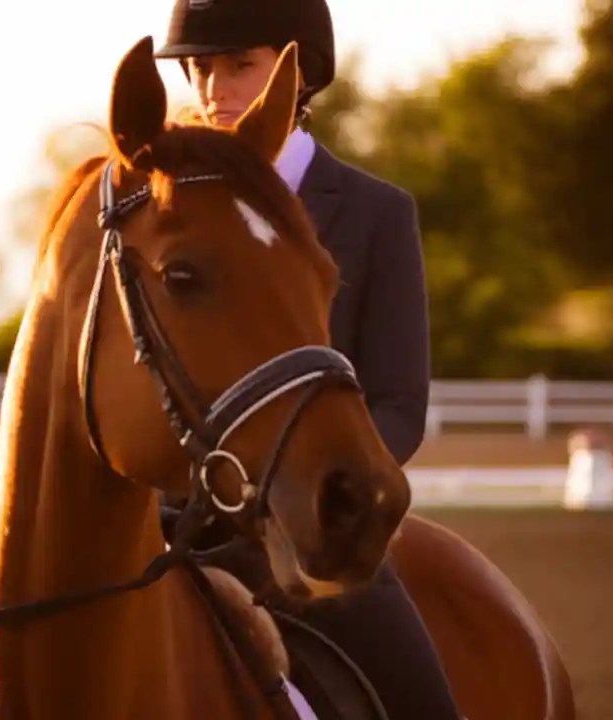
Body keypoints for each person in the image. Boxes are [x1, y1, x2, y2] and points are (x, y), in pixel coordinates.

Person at [153, 1, 462, 718]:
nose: (211, 91)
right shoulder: (167, 212)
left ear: (299, 77)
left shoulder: (376, 213)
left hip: (305, 535)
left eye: (240, 67)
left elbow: (398, 403)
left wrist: (312, 501)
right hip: (164, 526)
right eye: (199, 68)